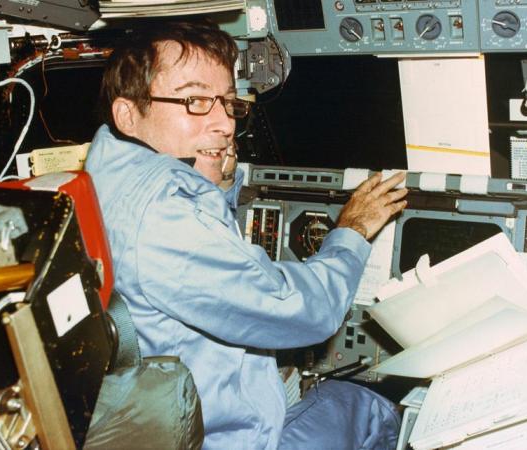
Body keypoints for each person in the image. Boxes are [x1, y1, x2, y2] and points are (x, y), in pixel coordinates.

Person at [85, 20, 408, 450]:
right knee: (368, 405)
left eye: (228, 103)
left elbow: (199, 247)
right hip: (223, 439)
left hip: (164, 416)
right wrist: (352, 230)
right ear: (128, 114)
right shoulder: (163, 219)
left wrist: (219, 188)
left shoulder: (109, 178)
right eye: (196, 100)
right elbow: (302, 310)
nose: (224, 124)